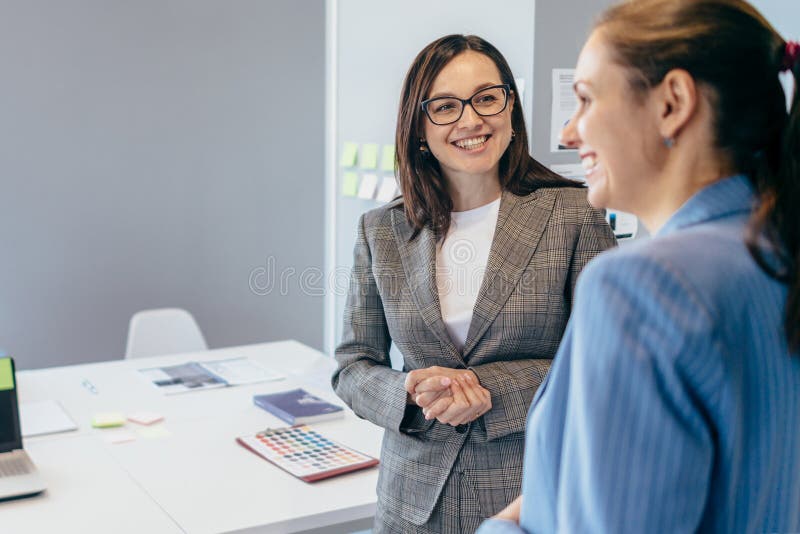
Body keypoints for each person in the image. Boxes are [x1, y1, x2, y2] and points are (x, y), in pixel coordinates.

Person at [478, 1, 800, 532]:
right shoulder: (776, 257)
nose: (568, 133)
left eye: (585, 100)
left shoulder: (640, 287)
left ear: (672, 102)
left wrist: (506, 526)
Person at [332, 34, 616, 533]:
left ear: (511, 108)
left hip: (531, 496)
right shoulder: (381, 229)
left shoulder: (574, 212)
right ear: (419, 128)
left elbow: (606, 363)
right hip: (410, 505)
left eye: (487, 97)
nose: (470, 120)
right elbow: (353, 366)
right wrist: (410, 391)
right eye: (445, 106)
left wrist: (492, 390)